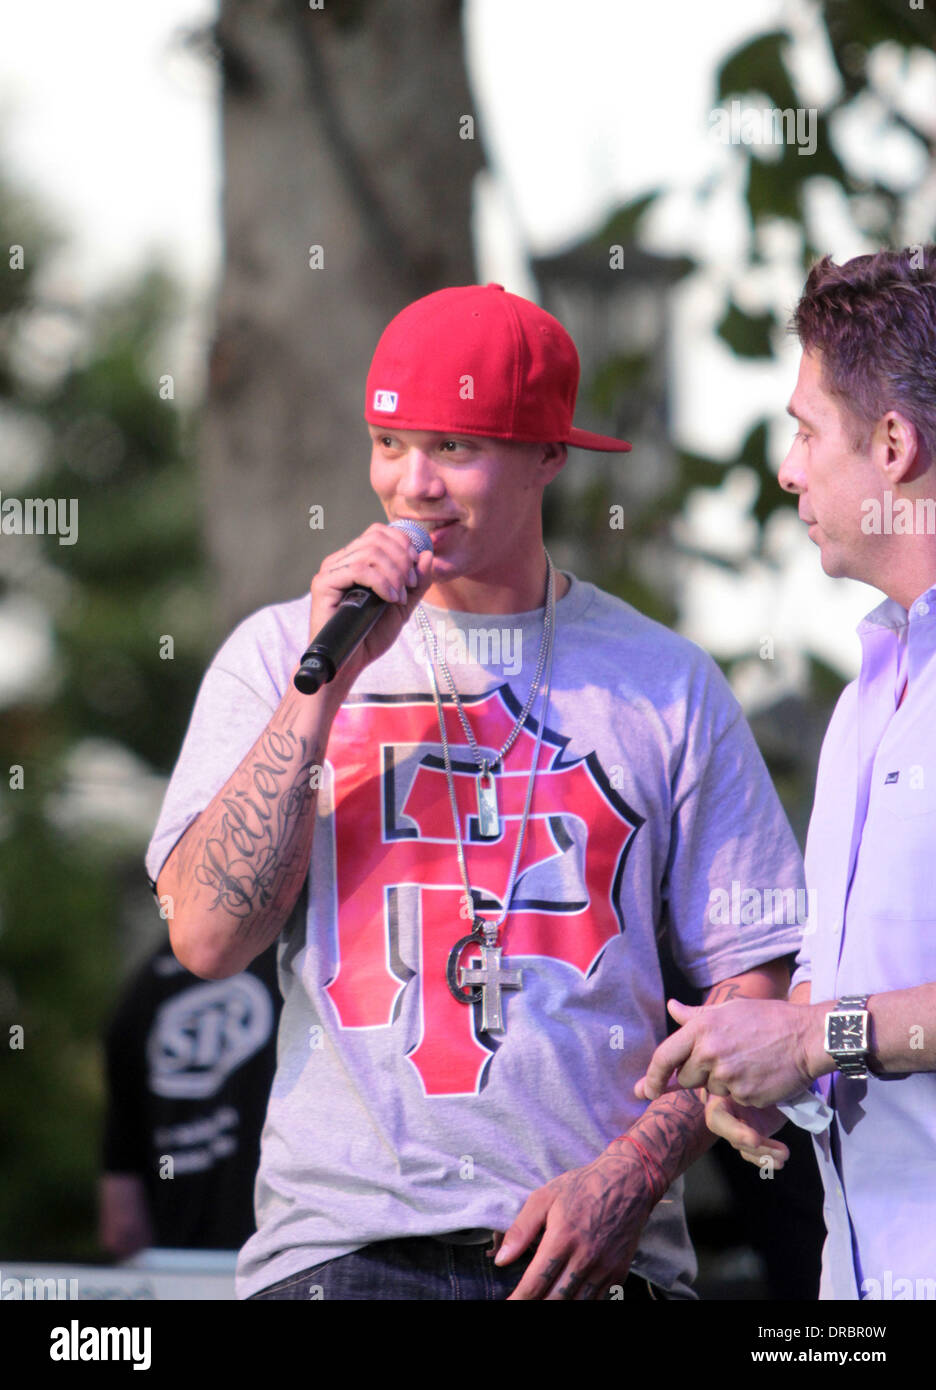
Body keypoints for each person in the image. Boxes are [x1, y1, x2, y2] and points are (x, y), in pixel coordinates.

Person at [147, 282, 804, 1301]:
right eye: (390, 443)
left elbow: (755, 985)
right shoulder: (283, 654)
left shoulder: (662, 679)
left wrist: (632, 1173)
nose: (413, 484)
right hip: (341, 1253)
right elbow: (205, 937)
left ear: (550, 455)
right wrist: (324, 692)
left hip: (591, 1253)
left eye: (457, 447)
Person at [638, 247, 936, 1301]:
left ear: (891, 444)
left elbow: (834, 1028)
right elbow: (837, 1011)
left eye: (808, 430)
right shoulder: (868, 701)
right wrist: (760, 1070)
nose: (789, 467)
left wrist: (812, 1038)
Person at [98, 936, 283, 1257]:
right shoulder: (301, 958)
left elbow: (121, 1222)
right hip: (283, 1247)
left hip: (179, 1259)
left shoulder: (147, 981)